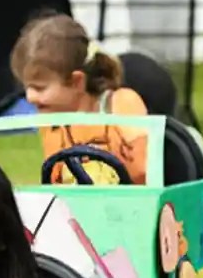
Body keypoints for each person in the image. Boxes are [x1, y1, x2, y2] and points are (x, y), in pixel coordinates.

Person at [10, 12, 151, 185]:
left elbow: (144, 171)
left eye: (40, 88)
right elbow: (54, 181)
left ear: (77, 82)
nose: (30, 97)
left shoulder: (120, 104)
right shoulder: (52, 123)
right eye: (27, 87)